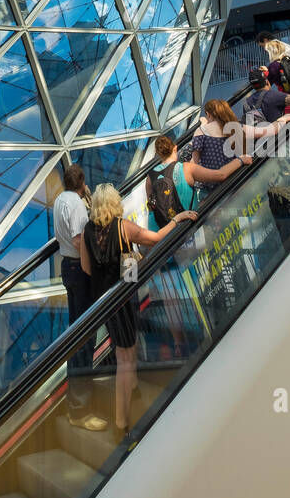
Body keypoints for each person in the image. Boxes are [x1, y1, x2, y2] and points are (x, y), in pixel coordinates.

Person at [79, 182, 197, 434]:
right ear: (114, 203)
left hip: (103, 302)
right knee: (124, 357)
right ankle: (121, 420)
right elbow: (154, 238)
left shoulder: (88, 231)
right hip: (123, 299)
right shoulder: (123, 227)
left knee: (126, 350)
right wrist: (178, 219)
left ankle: (133, 390)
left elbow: (86, 269)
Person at [53, 164, 107, 432]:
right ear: (82, 182)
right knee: (85, 339)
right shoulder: (74, 204)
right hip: (79, 268)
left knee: (76, 336)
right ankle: (80, 409)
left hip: (67, 269)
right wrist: (92, 266)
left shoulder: (60, 200)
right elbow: (78, 240)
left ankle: (76, 402)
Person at [147, 131, 256, 226]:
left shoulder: (150, 177)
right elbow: (220, 175)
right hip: (190, 224)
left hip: (167, 233)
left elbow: (152, 208)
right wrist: (241, 160)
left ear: (158, 154)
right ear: (175, 148)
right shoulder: (186, 168)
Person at [190, 97, 286, 203]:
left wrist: (203, 124)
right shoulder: (237, 128)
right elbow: (268, 131)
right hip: (233, 185)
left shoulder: (202, 132)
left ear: (208, 114)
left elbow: (193, 164)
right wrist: (284, 120)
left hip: (208, 190)